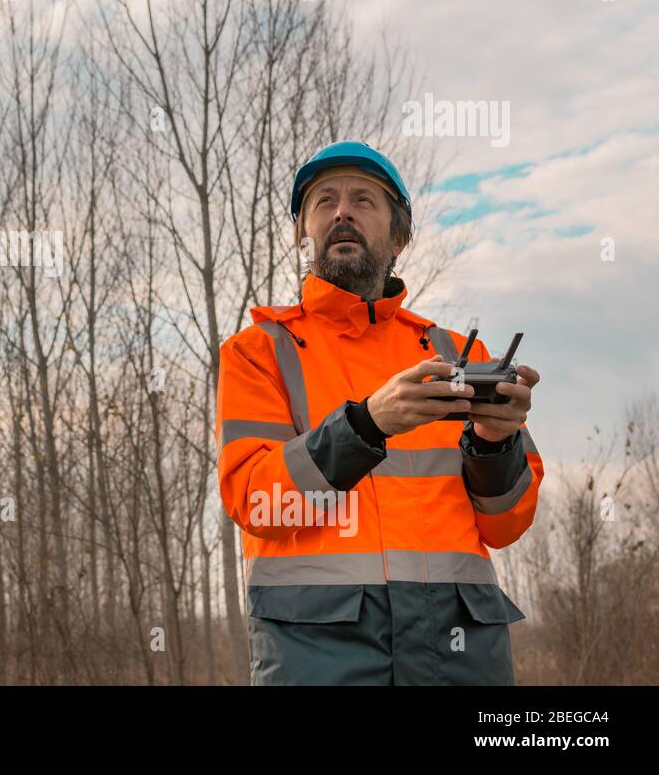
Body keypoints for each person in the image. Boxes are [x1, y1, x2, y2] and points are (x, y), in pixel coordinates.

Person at [215, 141, 543, 685]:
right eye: (324, 202)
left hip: (460, 660)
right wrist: (365, 426)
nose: (341, 211)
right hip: (320, 661)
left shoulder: (460, 354)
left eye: (363, 199)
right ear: (304, 234)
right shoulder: (259, 351)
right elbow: (258, 501)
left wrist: (493, 443)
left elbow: (506, 522)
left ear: (398, 235)